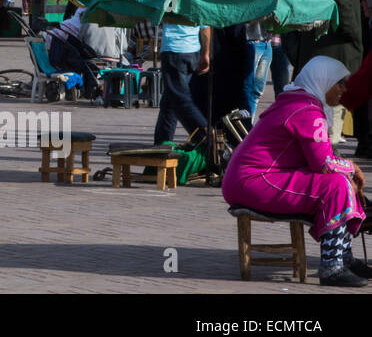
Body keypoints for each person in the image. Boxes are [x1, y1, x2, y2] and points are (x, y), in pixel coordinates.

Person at [222, 57, 368, 287]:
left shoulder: (300, 102)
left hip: (249, 180)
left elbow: (321, 160)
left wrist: (346, 170)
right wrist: (353, 167)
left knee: (340, 181)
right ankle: (332, 267)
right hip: (253, 181)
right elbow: (323, 164)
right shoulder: (306, 109)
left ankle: (343, 257)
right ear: (324, 80)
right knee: (336, 185)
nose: (344, 90)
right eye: (339, 83)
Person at [154, 20, 210, 146]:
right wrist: (205, 54)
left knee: (181, 101)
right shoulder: (197, 0)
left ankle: (207, 137)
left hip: (174, 50)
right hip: (193, 51)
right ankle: (161, 145)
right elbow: (206, 27)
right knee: (169, 103)